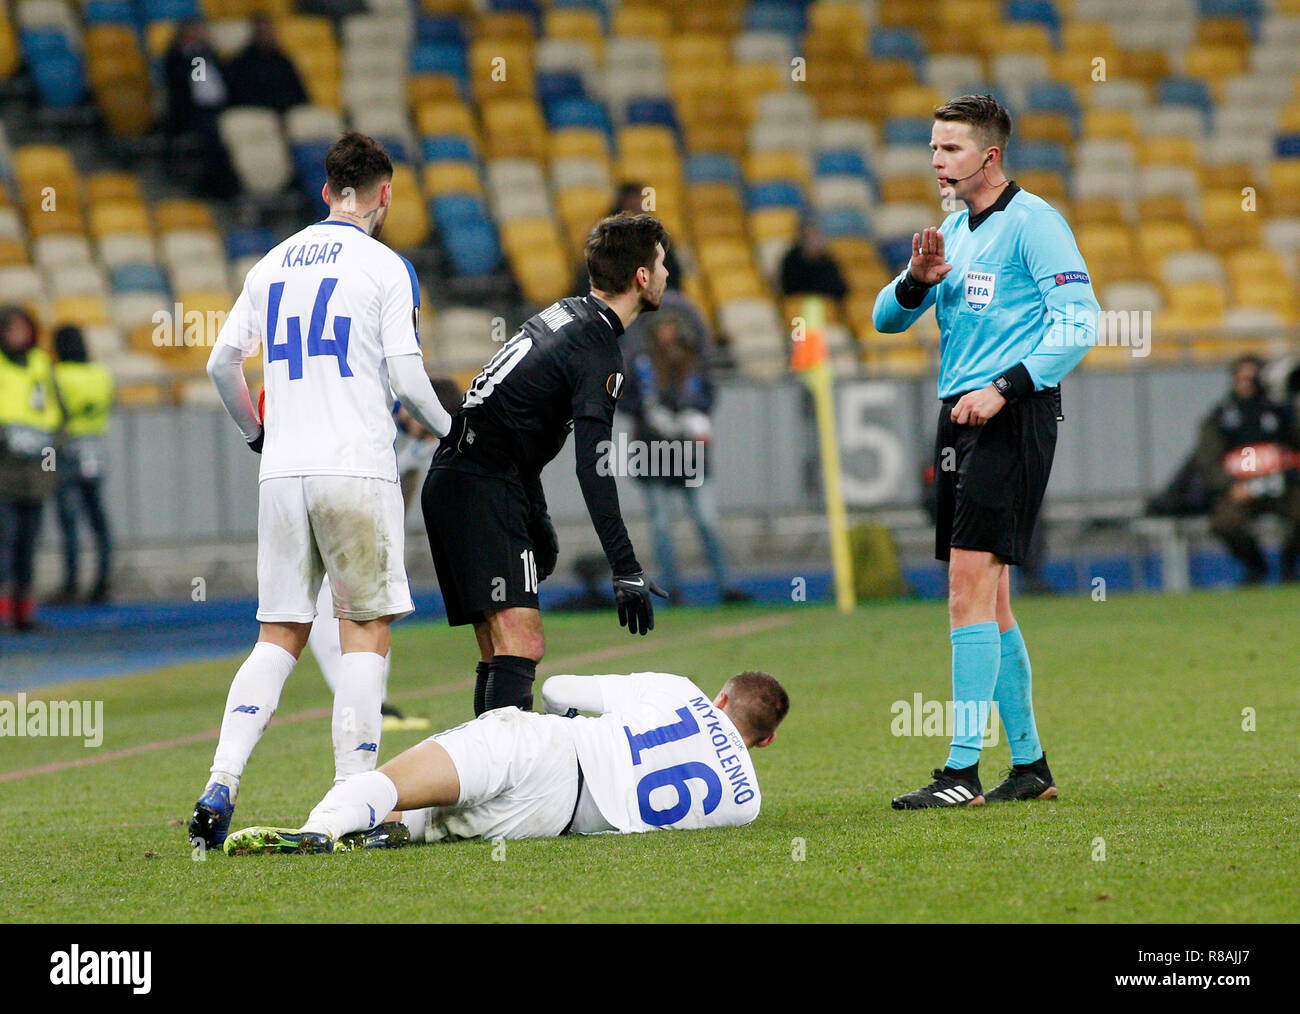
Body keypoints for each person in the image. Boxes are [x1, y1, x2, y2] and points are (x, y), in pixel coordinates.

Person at [189, 132, 453, 848]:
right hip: (355, 469)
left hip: (283, 472)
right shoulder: (386, 267)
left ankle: (221, 783)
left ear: (325, 190)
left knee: (278, 635)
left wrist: (257, 437)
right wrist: (457, 433)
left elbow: (220, 365)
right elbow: (406, 376)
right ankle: (352, 800)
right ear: (386, 194)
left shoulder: (270, 264)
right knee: (364, 630)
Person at [872, 94, 1097, 808]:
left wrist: (1005, 387)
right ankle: (1029, 767)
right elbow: (885, 319)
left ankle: (961, 771)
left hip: (1012, 415)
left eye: (951, 149)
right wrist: (917, 281)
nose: (937, 160)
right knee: (991, 603)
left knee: (966, 589)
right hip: (961, 420)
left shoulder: (1036, 224)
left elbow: (1080, 321)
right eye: (933, 147)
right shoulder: (951, 232)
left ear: (989, 156)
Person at [421, 213, 670, 719]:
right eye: (662, 264)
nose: (668, 274)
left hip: (462, 480)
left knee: (499, 649)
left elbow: (511, 416)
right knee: (522, 644)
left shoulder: (566, 313)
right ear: (641, 277)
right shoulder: (599, 351)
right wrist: (625, 567)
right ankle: (509, 788)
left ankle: (489, 786)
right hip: (482, 486)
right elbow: (593, 465)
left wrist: (535, 510)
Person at [222, 669, 789, 854]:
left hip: (550, 749)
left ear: (720, 698)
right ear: (763, 744)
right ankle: (377, 834)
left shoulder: (680, 690)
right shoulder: (746, 804)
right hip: (552, 822)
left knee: (392, 784)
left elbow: (562, 689)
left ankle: (318, 830)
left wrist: (561, 723)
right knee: (440, 822)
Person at [306, 377, 462, 732]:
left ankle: (375, 703)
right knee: (332, 596)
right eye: (427, 424)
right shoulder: (374, 401)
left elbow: (406, 477)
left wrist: (393, 531)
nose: (426, 435)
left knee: (376, 603)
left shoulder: (416, 432)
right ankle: (353, 702)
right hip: (333, 496)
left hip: (367, 512)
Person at [622, 312, 750, 603]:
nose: (666, 334)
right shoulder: (640, 365)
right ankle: (672, 588)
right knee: (662, 526)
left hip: (690, 453)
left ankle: (726, 585)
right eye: (662, 329)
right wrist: (647, 413)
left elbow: (708, 395)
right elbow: (625, 400)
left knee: (707, 521)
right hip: (653, 451)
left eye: (671, 327)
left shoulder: (693, 361)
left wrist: (693, 414)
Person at [1196, 355, 1300, 584]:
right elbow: (1208, 459)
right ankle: (1257, 565)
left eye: (1252, 378)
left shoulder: (1281, 411)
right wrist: (1230, 486)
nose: (1247, 383)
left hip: (1283, 485)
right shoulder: (1221, 416)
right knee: (1225, 523)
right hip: (1241, 488)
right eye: (1241, 378)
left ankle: (1289, 563)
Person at [0, 306, 63, 632]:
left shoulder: (40, 362)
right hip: (5, 468)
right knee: (4, 543)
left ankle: (23, 612)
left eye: (23, 329)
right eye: (12, 329)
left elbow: (57, 408)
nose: (18, 335)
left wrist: (54, 443)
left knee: (27, 544)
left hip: (36, 468)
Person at [50, 326, 114, 605]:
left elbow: (53, 413)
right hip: (96, 450)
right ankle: (103, 580)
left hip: (66, 451)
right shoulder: (101, 374)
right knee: (98, 519)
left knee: (69, 521)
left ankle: (72, 583)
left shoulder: (58, 375)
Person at [162, 20, 237, 200]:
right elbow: (192, 84)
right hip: (193, 112)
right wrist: (193, 55)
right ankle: (220, 187)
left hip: (219, 108)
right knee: (213, 140)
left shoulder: (208, 55)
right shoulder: (178, 56)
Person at [222, 16, 309, 113]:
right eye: (263, 32)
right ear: (254, 35)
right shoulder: (242, 62)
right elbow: (241, 95)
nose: (268, 36)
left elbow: (299, 91)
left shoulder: (282, 60)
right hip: (256, 110)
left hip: (286, 109)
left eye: (270, 32)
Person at [779, 218, 848, 303]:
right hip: (802, 305)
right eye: (809, 237)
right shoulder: (791, 260)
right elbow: (789, 289)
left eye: (816, 237)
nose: (813, 241)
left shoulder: (828, 261)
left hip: (827, 305)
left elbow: (840, 289)